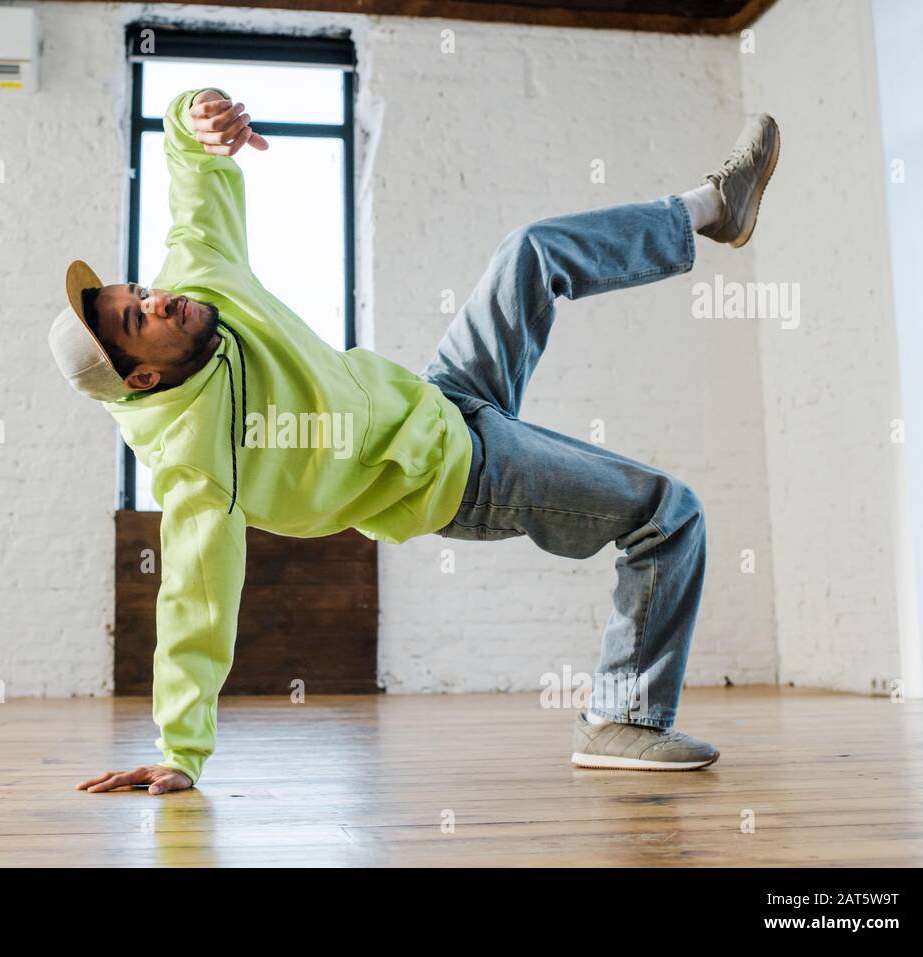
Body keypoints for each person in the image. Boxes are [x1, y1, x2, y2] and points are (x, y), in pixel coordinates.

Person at [49, 86, 779, 794]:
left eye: (135, 292)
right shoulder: (195, 457)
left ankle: (713, 210)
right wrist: (180, 748)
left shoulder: (196, 279)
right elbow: (195, 595)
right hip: (455, 474)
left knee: (529, 250)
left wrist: (194, 113)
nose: (156, 299)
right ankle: (624, 718)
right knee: (668, 512)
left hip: (440, 397)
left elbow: (191, 173)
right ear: (141, 378)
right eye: (137, 320)